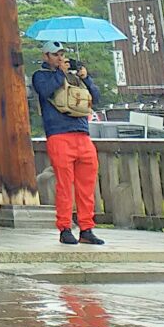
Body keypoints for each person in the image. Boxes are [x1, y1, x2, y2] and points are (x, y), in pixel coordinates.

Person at [31, 40, 104, 245]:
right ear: (46, 56)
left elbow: (95, 97)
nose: (60, 58)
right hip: (59, 134)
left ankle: (87, 228)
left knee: (87, 185)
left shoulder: (74, 76)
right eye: (55, 55)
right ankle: (64, 227)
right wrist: (60, 73)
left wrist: (86, 77)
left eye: (62, 54)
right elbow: (45, 91)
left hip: (83, 134)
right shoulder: (41, 76)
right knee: (64, 184)